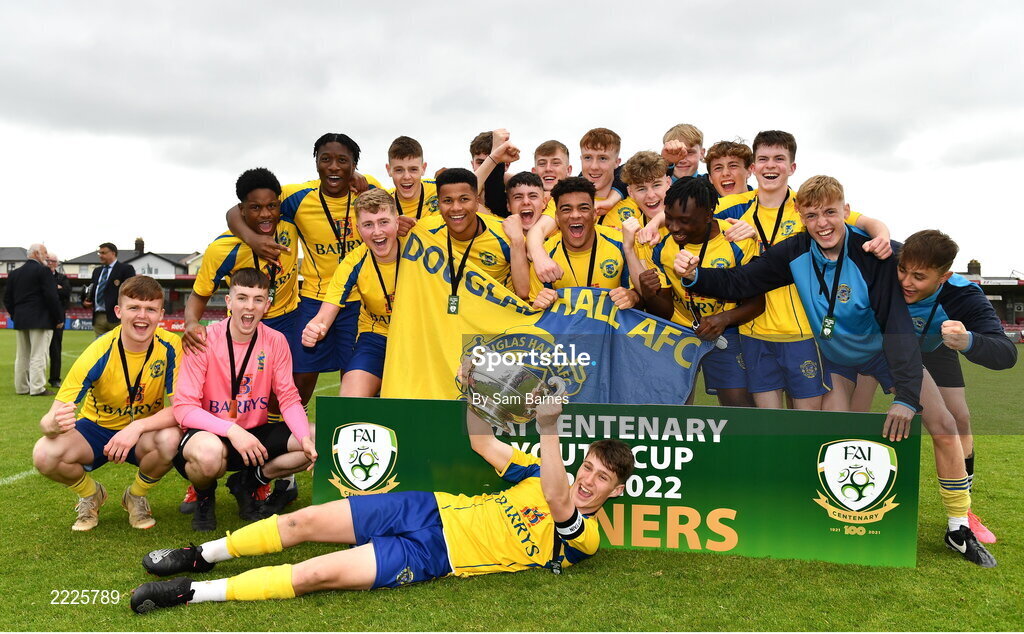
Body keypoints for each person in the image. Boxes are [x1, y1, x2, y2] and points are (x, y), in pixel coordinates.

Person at [676, 176, 997, 567]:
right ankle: (826, 515)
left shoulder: (874, 254)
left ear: (846, 211)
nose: (822, 223)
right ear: (801, 217)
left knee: (944, 424)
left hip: (884, 354)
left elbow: (897, 329)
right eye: (812, 215)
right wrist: (695, 276)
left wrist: (906, 398)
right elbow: (744, 279)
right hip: (838, 360)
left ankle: (958, 527)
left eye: (830, 212)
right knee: (830, 431)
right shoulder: (794, 251)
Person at [129, 376, 634, 613]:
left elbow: (556, 496)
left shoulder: (582, 538)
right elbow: (482, 442)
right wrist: (479, 391)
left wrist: (550, 427)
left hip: (434, 553)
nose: (587, 479)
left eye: (601, 478)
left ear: (614, 491)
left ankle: (191, 593)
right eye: (588, 466)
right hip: (426, 507)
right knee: (302, 523)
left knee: (315, 574)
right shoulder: (528, 471)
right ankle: (200, 557)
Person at [226, 134, 388, 406]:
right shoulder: (296, 196)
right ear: (316, 163)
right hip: (315, 299)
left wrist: (358, 176)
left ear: (354, 165)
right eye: (325, 159)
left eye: (342, 161)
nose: (333, 167)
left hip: (359, 302)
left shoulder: (368, 188)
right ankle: (286, 436)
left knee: (354, 378)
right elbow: (236, 210)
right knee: (299, 379)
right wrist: (253, 240)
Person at [181, 167, 301, 517]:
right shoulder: (222, 249)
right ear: (242, 210)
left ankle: (260, 474)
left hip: (284, 320)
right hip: (243, 321)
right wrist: (191, 323)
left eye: (271, 207)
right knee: (211, 397)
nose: (265, 214)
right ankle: (203, 475)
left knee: (291, 399)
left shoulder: (291, 228)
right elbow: (199, 294)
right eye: (254, 208)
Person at [31, 275, 182, 531]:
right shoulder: (98, 351)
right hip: (97, 430)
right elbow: (50, 419)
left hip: (144, 431)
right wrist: (53, 425)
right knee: (44, 453)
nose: (142, 316)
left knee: (172, 438)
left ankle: (136, 495)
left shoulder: (171, 346)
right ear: (118, 311)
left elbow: (181, 409)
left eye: (150, 309)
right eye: (133, 307)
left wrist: (136, 428)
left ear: (161, 314)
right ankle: (91, 495)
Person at [172, 268, 316, 532]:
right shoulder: (203, 339)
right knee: (207, 455)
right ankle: (204, 496)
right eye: (242, 298)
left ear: (267, 305)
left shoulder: (276, 341)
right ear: (229, 302)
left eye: (258, 299)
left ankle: (248, 482)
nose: (249, 307)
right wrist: (232, 429)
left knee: (315, 439)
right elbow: (183, 408)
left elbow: (288, 396)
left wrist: (304, 436)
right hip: (211, 434)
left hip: (254, 436)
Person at [898, 229, 1018, 544]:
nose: (906, 281)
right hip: (877, 349)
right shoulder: (887, 267)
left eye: (919, 276)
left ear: (944, 276)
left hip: (933, 350)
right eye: (903, 270)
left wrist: (968, 341)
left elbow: (1006, 354)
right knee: (851, 409)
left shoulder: (964, 295)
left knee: (959, 418)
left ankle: (964, 514)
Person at [623, 178, 762, 407]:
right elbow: (664, 311)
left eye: (685, 221)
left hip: (725, 331)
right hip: (677, 331)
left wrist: (722, 319)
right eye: (670, 217)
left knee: (739, 406)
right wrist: (650, 293)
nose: (675, 227)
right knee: (673, 405)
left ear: (708, 215)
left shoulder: (737, 241)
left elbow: (757, 304)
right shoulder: (659, 245)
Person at [302, 189, 402, 397]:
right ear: (358, 229)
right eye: (368, 225)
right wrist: (315, 328)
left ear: (397, 222)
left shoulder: (420, 251)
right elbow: (324, 315)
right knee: (349, 402)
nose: (377, 232)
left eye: (383, 222)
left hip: (416, 337)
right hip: (376, 337)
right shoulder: (352, 263)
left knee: (415, 405)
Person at [529, 177, 639, 311]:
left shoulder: (621, 243)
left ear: (594, 214)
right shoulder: (544, 257)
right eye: (566, 209)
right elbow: (533, 313)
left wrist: (633, 297)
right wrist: (537, 306)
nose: (575, 215)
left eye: (583, 208)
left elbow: (642, 298)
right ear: (557, 217)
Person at [420, 168, 531, 300]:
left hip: (497, 317)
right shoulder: (424, 230)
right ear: (439, 204)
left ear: (477, 202)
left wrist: (518, 241)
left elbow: (523, 292)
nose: (456, 208)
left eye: (464, 199)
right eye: (448, 201)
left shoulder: (506, 235)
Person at [4, 243, 61, 396]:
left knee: (22, 355)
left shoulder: (15, 273)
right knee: (39, 354)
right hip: (41, 319)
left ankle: (22, 387)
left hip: (21, 319)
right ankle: (37, 388)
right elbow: (51, 296)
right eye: (45, 252)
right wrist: (58, 317)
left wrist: (15, 315)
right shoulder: (43, 271)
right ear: (36, 253)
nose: (47, 256)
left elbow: (7, 299)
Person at [83, 242, 136, 337]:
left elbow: (131, 292)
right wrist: (87, 301)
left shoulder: (126, 269)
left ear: (113, 253)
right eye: (99, 253)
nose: (100, 256)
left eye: (103, 253)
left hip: (117, 316)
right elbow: (93, 289)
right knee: (101, 348)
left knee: (119, 346)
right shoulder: (97, 271)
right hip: (98, 316)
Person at [385, 136, 439, 219]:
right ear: (389, 170)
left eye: (413, 169)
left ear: (423, 168)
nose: (406, 177)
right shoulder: (383, 203)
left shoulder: (440, 189)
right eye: (399, 170)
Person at [46, 252, 70, 388]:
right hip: (42, 317)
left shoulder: (62, 277)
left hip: (58, 319)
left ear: (57, 263)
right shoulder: (40, 276)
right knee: (39, 351)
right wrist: (55, 288)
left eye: (53, 261)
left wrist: (53, 289)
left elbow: (66, 292)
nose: (50, 263)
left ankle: (55, 379)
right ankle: (34, 379)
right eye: (48, 260)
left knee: (55, 349)